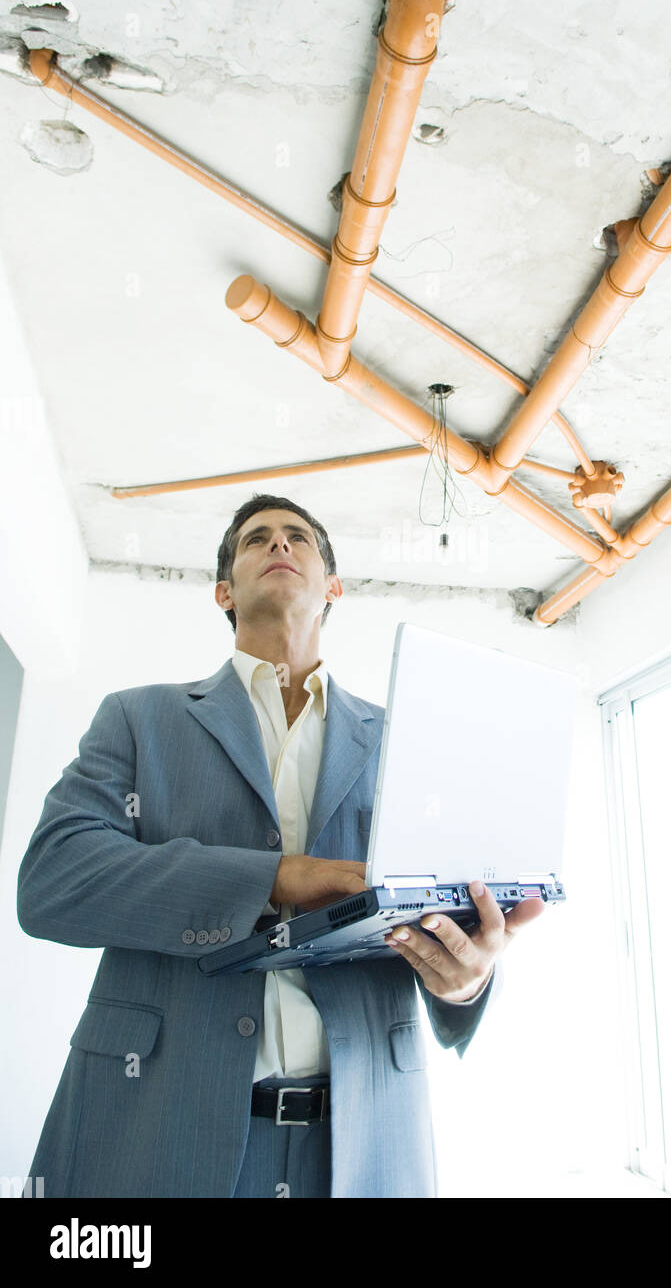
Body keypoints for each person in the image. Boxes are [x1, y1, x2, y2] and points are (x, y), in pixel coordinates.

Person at [17, 493, 544, 1197]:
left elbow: (446, 908)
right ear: (223, 591)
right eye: (255, 540)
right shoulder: (137, 718)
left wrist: (469, 978)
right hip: (152, 1132)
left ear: (332, 587)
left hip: (359, 1145)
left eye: (298, 537)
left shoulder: (407, 737)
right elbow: (55, 881)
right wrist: (280, 877)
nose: (278, 544)